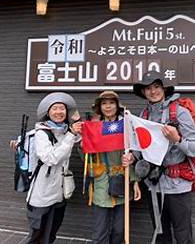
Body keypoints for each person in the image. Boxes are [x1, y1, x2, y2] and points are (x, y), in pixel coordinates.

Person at [131, 71, 195, 244]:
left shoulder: (179, 113)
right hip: (154, 185)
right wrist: (131, 156)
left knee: (182, 233)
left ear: (164, 89)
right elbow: (141, 148)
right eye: (148, 88)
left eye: (156, 87)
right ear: (143, 92)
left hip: (178, 185)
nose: (152, 91)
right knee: (160, 233)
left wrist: (177, 139)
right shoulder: (144, 115)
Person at [26, 92, 82, 244]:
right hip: (42, 194)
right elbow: (51, 158)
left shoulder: (64, 130)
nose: (59, 112)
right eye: (55, 108)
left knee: (50, 235)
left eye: (62, 108)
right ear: (48, 113)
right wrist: (71, 134)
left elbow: (81, 137)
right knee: (37, 236)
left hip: (59, 193)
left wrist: (78, 121)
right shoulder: (42, 133)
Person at [89, 91, 141, 244]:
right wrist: (84, 142)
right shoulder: (94, 128)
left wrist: (135, 180)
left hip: (122, 182)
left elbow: (133, 152)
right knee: (100, 231)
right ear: (99, 107)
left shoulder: (125, 126)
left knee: (119, 230)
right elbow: (87, 157)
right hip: (101, 183)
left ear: (117, 105)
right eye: (104, 103)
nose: (108, 106)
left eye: (111, 102)